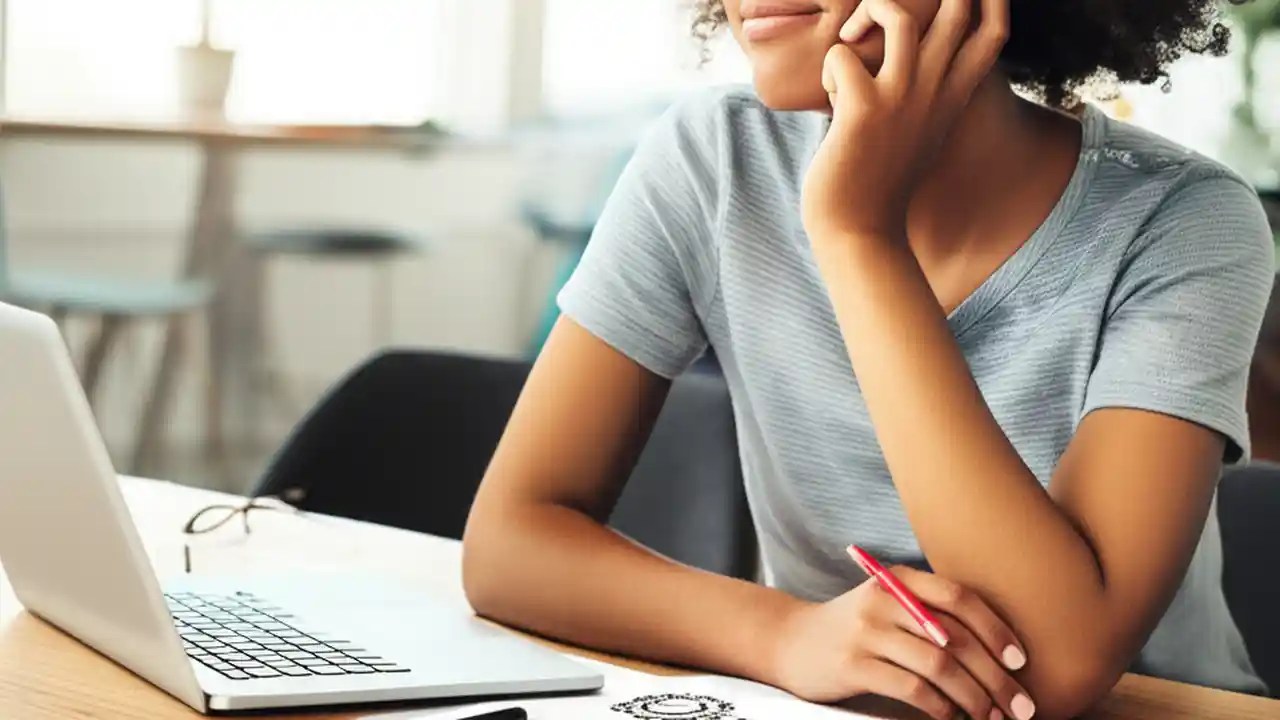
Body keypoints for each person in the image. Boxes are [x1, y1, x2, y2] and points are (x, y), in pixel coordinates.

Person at [462, 1, 1276, 719]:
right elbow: (510, 544)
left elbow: (1056, 669)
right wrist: (783, 634)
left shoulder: (1185, 221)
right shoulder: (713, 158)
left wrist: (856, 233)